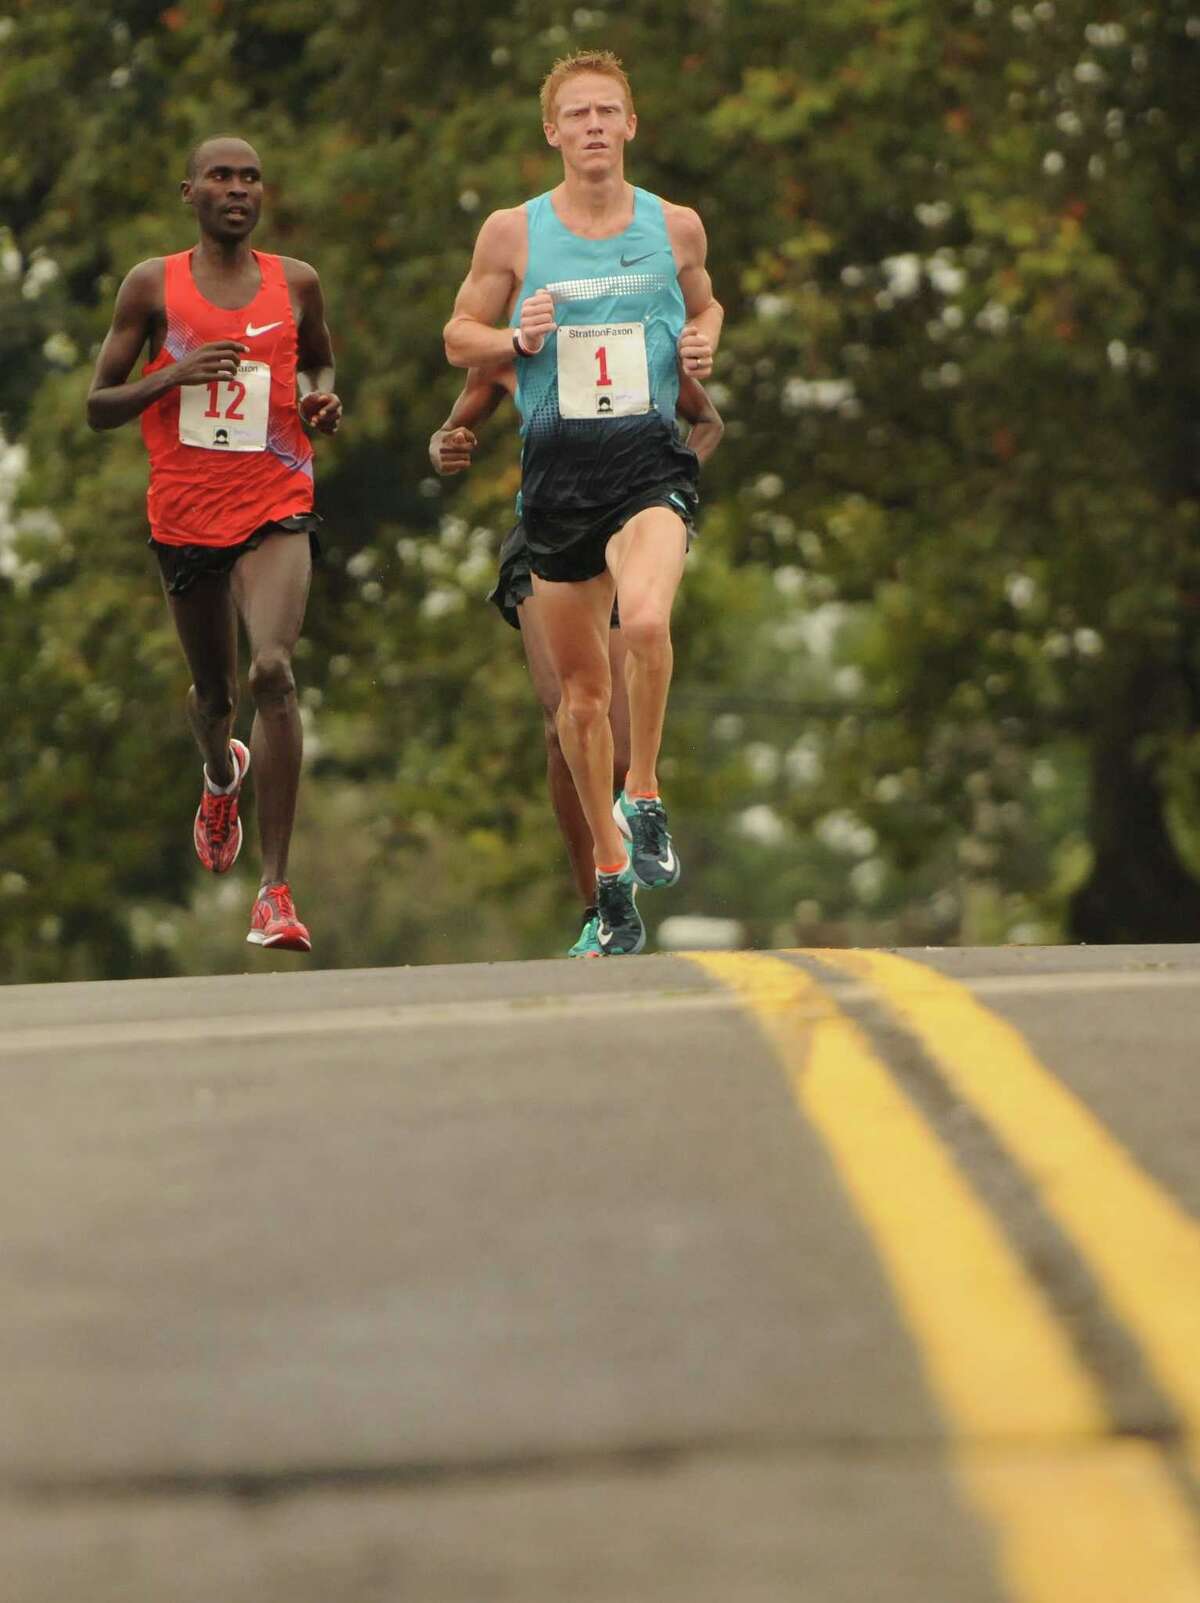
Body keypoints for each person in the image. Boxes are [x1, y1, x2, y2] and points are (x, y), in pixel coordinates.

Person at [444, 49, 723, 955]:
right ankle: (611, 883)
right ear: (553, 132)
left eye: (610, 111)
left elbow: (706, 307)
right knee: (579, 703)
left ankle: (643, 794)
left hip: (646, 465)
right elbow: (458, 337)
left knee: (645, 620)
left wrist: (704, 344)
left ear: (631, 126)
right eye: (578, 114)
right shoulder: (512, 234)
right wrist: (508, 331)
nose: (595, 126)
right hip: (557, 482)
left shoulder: (675, 226)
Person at [86, 136, 341, 953]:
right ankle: (220, 775)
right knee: (213, 697)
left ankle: (274, 891)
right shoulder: (149, 285)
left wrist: (321, 403)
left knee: (274, 670)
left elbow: (320, 367)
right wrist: (173, 376)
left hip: (276, 501)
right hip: (187, 516)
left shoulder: (294, 281)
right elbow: (99, 404)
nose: (238, 189)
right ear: (188, 191)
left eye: (252, 177)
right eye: (221, 178)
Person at [429, 365, 723, 956]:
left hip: (626, 535)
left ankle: (638, 806)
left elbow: (709, 421)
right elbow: (449, 431)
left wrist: (665, 491)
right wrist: (445, 446)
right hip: (550, 537)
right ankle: (601, 904)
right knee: (564, 712)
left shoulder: (640, 324)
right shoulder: (518, 344)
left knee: (614, 748)